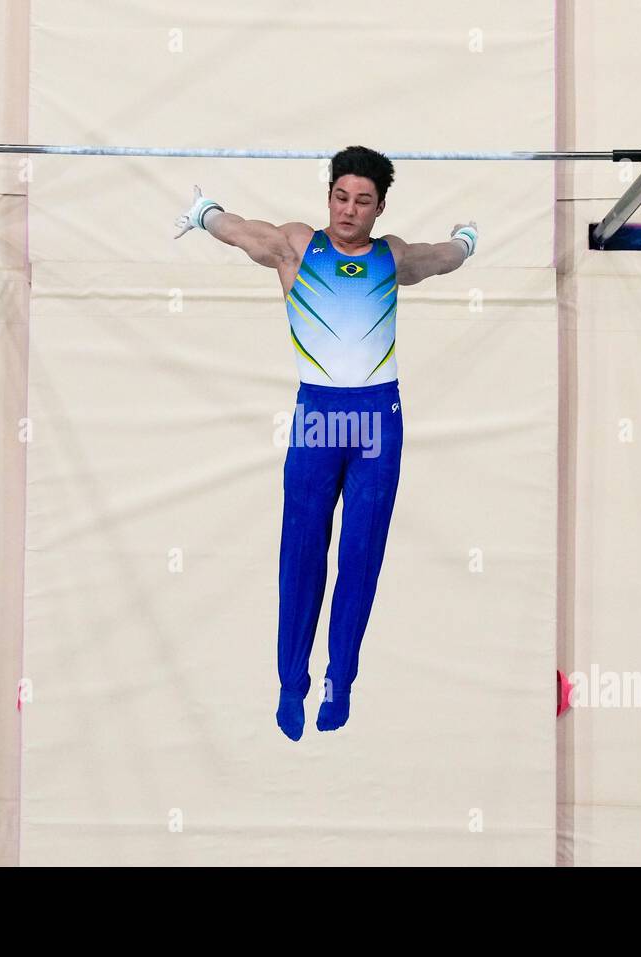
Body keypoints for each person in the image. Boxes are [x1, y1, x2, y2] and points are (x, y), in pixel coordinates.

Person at [175, 145, 478, 739]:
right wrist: (206, 211)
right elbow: (239, 234)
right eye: (341, 197)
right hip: (317, 418)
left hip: (376, 425)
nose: (349, 210)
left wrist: (465, 240)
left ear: (379, 207)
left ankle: (341, 677)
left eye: (363, 202)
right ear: (329, 197)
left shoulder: (391, 256)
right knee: (302, 554)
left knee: (360, 557)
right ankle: (291, 683)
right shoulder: (296, 246)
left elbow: (438, 260)